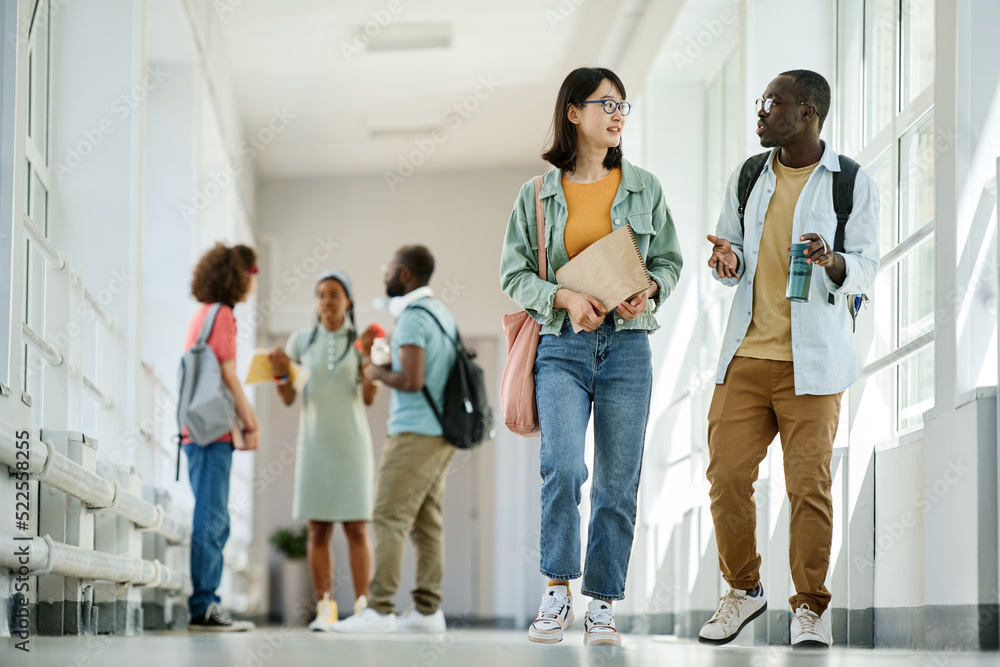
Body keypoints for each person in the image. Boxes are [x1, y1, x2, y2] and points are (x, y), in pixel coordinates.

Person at [499, 67, 683, 647]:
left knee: (616, 482)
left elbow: (670, 264)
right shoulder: (536, 194)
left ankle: (602, 604)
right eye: (606, 103)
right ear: (573, 112)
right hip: (562, 348)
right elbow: (514, 273)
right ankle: (557, 592)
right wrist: (565, 297)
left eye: (623, 104)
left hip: (629, 349)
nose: (618, 113)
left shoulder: (645, 187)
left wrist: (647, 290)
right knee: (563, 467)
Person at [698, 70, 879, 649]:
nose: (760, 112)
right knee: (726, 477)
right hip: (747, 352)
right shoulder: (749, 175)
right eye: (760, 102)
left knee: (809, 488)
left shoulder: (849, 183)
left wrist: (833, 263)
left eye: (771, 103)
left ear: (807, 111)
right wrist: (726, 261)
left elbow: (869, 269)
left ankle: (810, 608)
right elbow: (731, 254)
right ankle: (744, 590)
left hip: (816, 363)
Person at [331, 245, 458, 635]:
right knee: (426, 523)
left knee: (388, 515)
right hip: (441, 433)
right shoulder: (441, 314)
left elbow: (413, 380)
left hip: (415, 432)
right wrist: (389, 367)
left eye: (388, 269)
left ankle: (380, 609)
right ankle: (427, 611)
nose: (384, 274)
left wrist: (375, 371)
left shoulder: (414, 317)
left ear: (404, 274)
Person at [268, 271, 380, 631]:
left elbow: (369, 397)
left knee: (357, 528)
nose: (326, 301)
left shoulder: (360, 340)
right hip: (315, 445)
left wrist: (366, 360)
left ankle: (363, 608)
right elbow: (287, 398)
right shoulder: (300, 341)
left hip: (352, 444)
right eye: (320, 295)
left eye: (334, 295)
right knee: (317, 530)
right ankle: (325, 608)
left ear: (348, 302)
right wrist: (281, 372)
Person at [183, 243, 259, 632]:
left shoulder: (202, 315)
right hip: (213, 433)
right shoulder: (224, 315)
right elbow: (228, 375)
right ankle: (204, 607)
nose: (252, 282)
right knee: (212, 519)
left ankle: (205, 603)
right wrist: (251, 421)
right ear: (239, 276)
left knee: (210, 515)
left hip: (193, 429)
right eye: (252, 274)